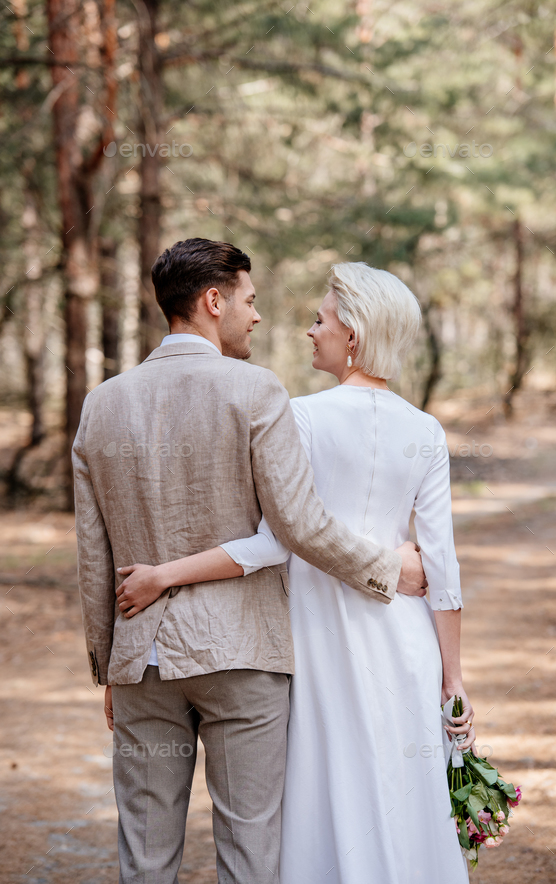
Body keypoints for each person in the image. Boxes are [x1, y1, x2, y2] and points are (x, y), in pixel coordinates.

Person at [73, 239, 428, 884]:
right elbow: (298, 524)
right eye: (249, 300)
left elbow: (92, 552)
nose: (257, 316)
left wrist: (108, 665)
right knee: (250, 848)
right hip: (241, 657)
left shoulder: (103, 403)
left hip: (141, 660)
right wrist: (387, 567)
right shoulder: (256, 390)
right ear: (214, 301)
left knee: (145, 853)